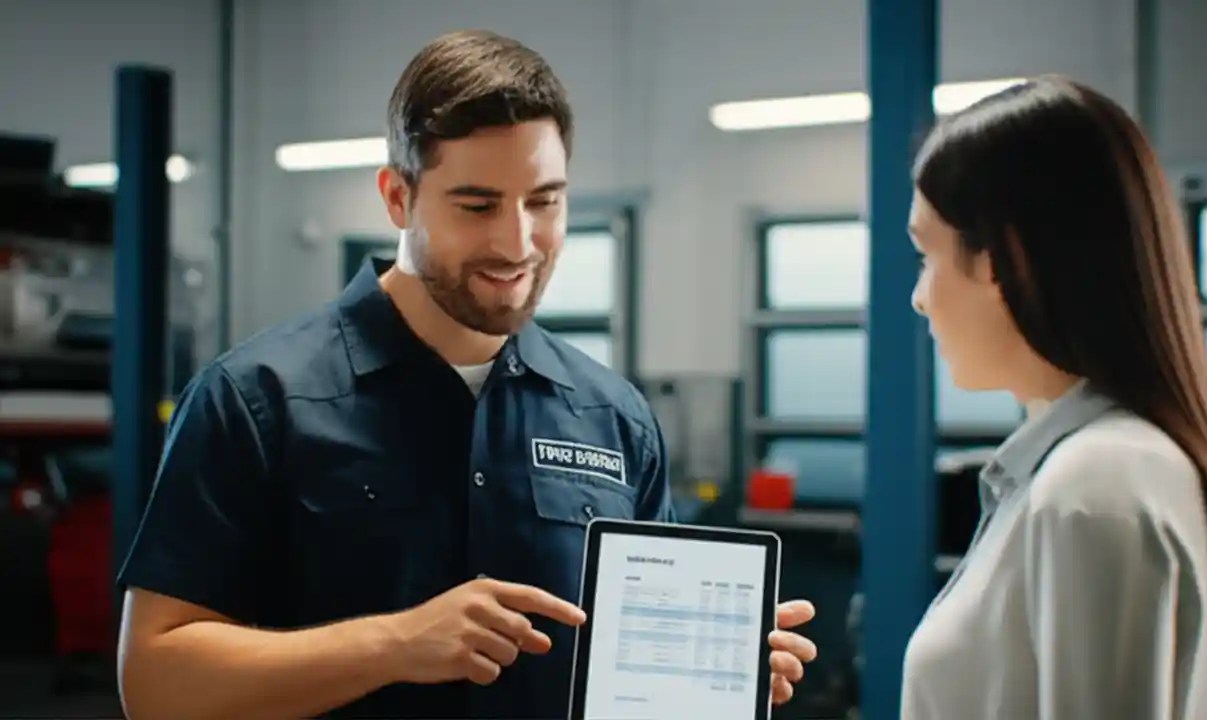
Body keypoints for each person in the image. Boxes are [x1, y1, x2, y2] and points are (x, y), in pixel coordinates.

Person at [116, 29, 817, 720]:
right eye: (478, 206)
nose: (517, 243)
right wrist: (392, 645)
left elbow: (637, 690)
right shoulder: (255, 401)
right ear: (398, 197)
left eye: (543, 201)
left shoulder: (612, 417)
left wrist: (712, 675)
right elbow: (154, 682)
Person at [900, 75, 1207, 719]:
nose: (920, 298)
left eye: (926, 256)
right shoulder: (1087, 470)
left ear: (1004, 257)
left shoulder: (1095, 486)